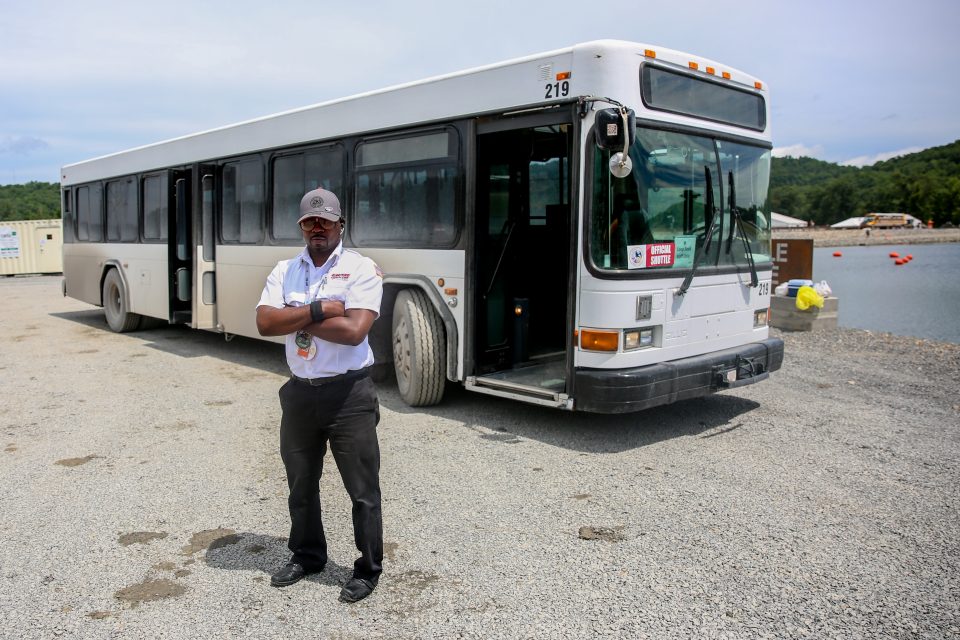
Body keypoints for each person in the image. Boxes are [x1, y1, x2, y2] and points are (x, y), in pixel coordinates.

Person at [255, 187, 384, 603]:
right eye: (309, 221)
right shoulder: (285, 270)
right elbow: (263, 323)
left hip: (349, 395)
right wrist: (318, 310)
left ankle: (367, 568)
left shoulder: (361, 269)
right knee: (301, 485)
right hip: (300, 393)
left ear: (340, 224)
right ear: (302, 226)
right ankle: (307, 556)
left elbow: (354, 332)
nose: (317, 228)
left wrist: (290, 319)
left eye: (325, 221)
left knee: (361, 490)